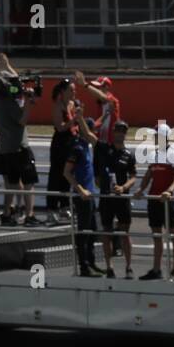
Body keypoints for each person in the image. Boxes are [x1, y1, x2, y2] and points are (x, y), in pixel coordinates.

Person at [0, 54, 40, 226]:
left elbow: (14, 84)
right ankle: (29, 215)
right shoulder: (9, 103)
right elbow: (22, 120)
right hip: (19, 147)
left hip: (6, 148)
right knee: (28, 182)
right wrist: (28, 103)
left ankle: (6, 214)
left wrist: (7, 66)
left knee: (11, 183)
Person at [135, 122, 174, 282]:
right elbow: (149, 175)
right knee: (156, 235)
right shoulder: (154, 154)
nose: (153, 138)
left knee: (173, 234)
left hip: (166, 200)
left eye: (156, 135)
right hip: (153, 199)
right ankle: (156, 269)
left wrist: (169, 191)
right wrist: (141, 189)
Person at [96, 121, 138, 279]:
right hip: (106, 197)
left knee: (124, 233)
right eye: (118, 130)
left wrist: (124, 187)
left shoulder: (129, 154)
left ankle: (128, 267)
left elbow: (134, 176)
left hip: (122, 198)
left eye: (123, 131)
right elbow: (89, 136)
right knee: (106, 233)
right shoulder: (105, 149)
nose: (120, 133)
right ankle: (109, 267)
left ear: (126, 134)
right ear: (113, 133)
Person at [64, 116, 102, 276]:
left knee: (92, 229)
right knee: (84, 231)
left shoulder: (88, 146)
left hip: (91, 194)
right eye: (92, 129)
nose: (94, 133)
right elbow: (66, 172)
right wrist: (80, 190)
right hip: (83, 196)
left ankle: (91, 262)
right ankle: (84, 266)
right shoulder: (78, 148)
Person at [46, 77, 79, 223]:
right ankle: (52, 207)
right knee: (56, 175)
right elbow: (60, 127)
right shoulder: (58, 105)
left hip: (71, 142)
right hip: (60, 143)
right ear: (63, 92)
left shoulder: (73, 104)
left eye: (74, 89)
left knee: (68, 174)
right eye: (71, 90)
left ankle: (65, 205)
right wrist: (74, 120)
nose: (74, 92)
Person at [75, 72, 121, 144]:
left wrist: (85, 84)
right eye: (96, 87)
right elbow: (101, 120)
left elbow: (103, 97)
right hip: (101, 140)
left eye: (99, 87)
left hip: (111, 141)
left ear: (107, 87)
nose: (97, 89)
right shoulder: (100, 103)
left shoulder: (112, 100)